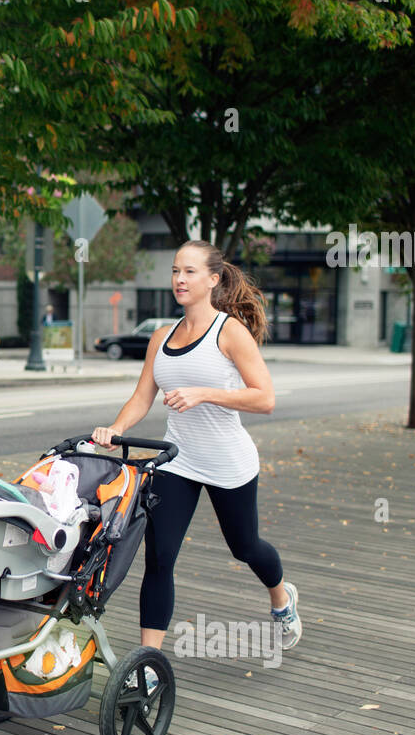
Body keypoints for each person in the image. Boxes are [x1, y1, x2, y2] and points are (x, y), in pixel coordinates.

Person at [92, 240, 302, 666]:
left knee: (245, 547)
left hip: (229, 463)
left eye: (189, 272)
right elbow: (141, 397)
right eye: (174, 271)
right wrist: (116, 428)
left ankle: (281, 596)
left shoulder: (230, 333)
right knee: (160, 558)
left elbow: (265, 399)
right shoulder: (160, 337)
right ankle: (148, 664)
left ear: (213, 279)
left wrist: (205, 394)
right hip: (178, 460)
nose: (179, 280)